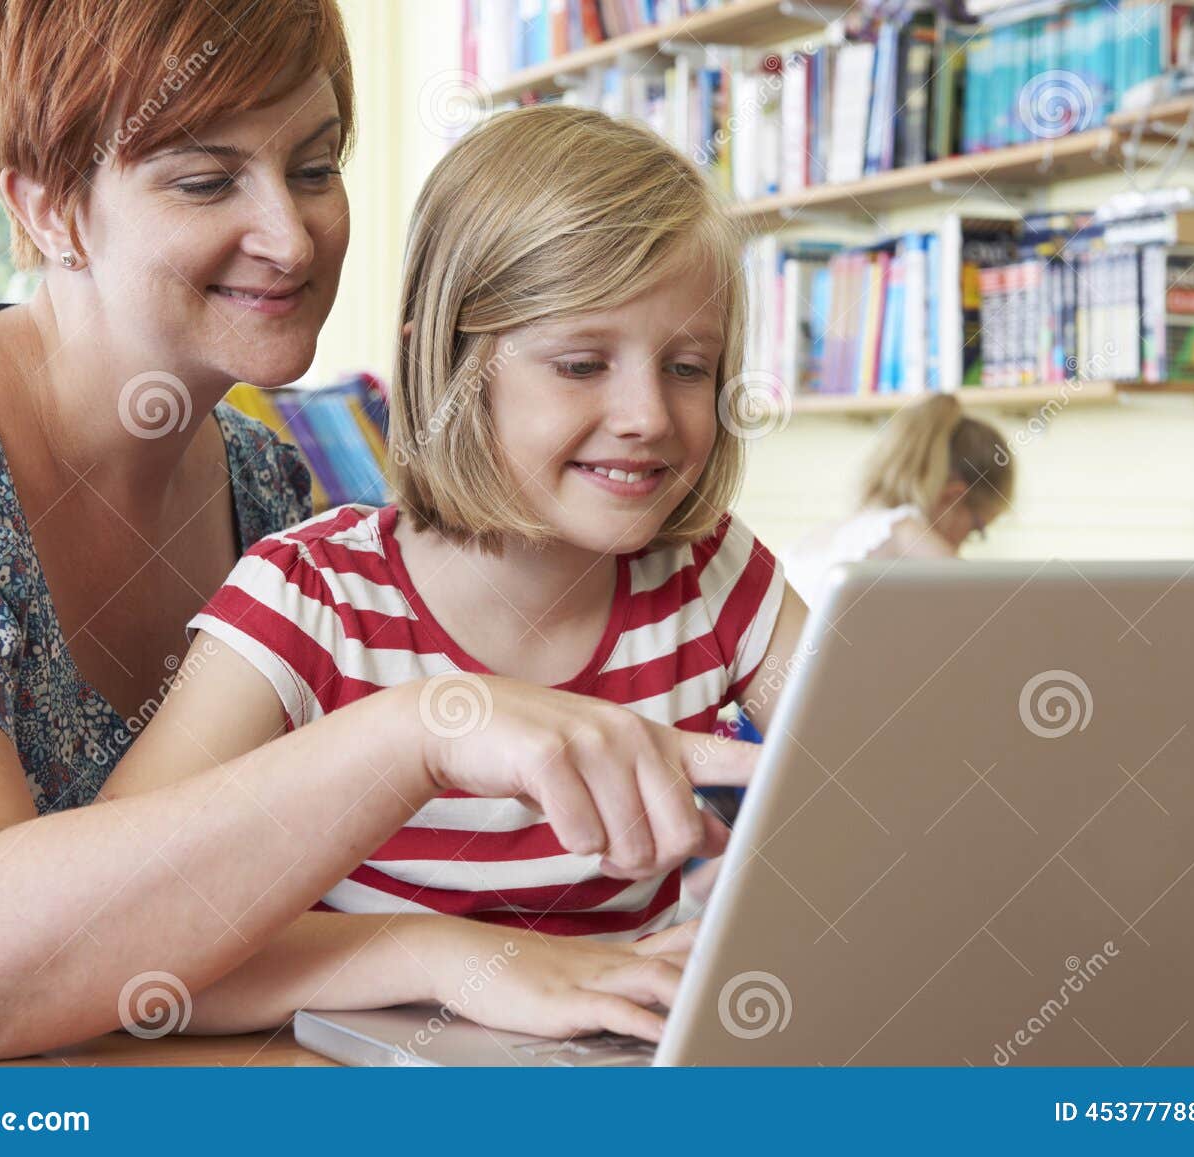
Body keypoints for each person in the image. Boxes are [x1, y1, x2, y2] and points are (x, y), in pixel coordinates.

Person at [0, 1, 756, 1067]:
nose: (292, 238)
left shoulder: (264, 479)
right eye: (206, 181)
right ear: (48, 207)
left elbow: (247, 910)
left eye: (313, 168)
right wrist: (422, 748)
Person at [105, 103, 811, 1026]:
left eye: (687, 367)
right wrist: (453, 960)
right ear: (447, 366)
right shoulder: (312, 600)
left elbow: (892, 797)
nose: (648, 415)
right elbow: (111, 935)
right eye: (580, 363)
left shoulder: (714, 573)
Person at [782, 394, 1015, 606]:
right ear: (952, 497)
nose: (962, 546)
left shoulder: (823, 535)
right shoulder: (903, 529)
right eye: (976, 529)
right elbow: (988, 604)